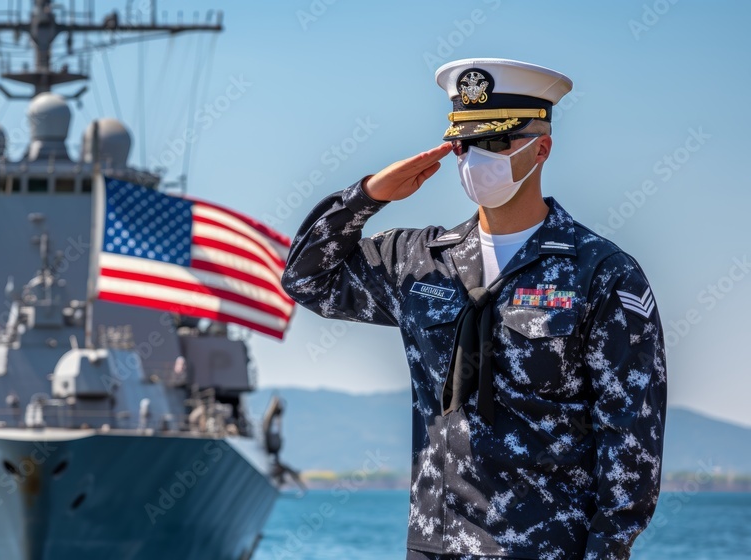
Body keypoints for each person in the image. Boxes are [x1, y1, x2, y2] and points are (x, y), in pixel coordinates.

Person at [281, 58, 667, 559]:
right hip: (434, 545)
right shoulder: (418, 260)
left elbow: (630, 446)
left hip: (543, 549)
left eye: (495, 141)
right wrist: (367, 195)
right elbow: (307, 278)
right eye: (464, 143)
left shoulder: (602, 274)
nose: (474, 157)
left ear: (541, 147)